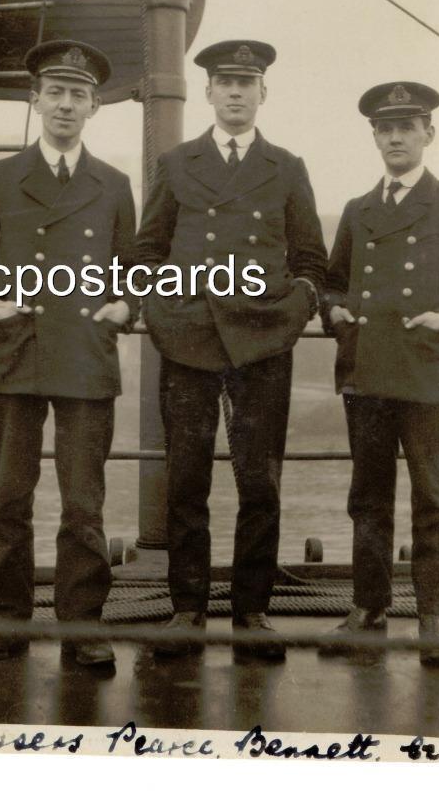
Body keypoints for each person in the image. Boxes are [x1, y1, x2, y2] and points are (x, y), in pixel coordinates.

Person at [0, 39, 137, 666]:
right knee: (8, 498)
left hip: (83, 354)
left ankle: (82, 627)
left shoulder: (114, 183)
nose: (66, 105)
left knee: (84, 502)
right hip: (13, 353)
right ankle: (7, 622)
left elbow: (134, 267)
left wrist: (125, 307)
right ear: (35, 101)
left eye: (79, 95)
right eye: (55, 92)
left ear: (94, 107)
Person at [135, 39, 327, 659]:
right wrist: (160, 307)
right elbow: (146, 250)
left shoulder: (288, 166)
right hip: (189, 336)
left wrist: (298, 304)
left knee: (259, 481)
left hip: (263, 338)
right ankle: (187, 610)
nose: (237, 92)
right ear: (211, 94)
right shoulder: (177, 162)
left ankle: (252, 612)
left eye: (248, 82)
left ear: (263, 93)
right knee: (186, 477)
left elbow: (310, 258)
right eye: (225, 82)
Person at [322, 81, 439, 665]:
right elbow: (334, 278)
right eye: (385, 129)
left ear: (427, 135)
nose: (394, 138)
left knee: (434, 495)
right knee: (368, 496)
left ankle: (434, 613)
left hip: (426, 365)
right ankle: (369, 608)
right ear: (374, 137)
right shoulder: (360, 210)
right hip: (366, 367)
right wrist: (332, 310)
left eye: (406, 128)